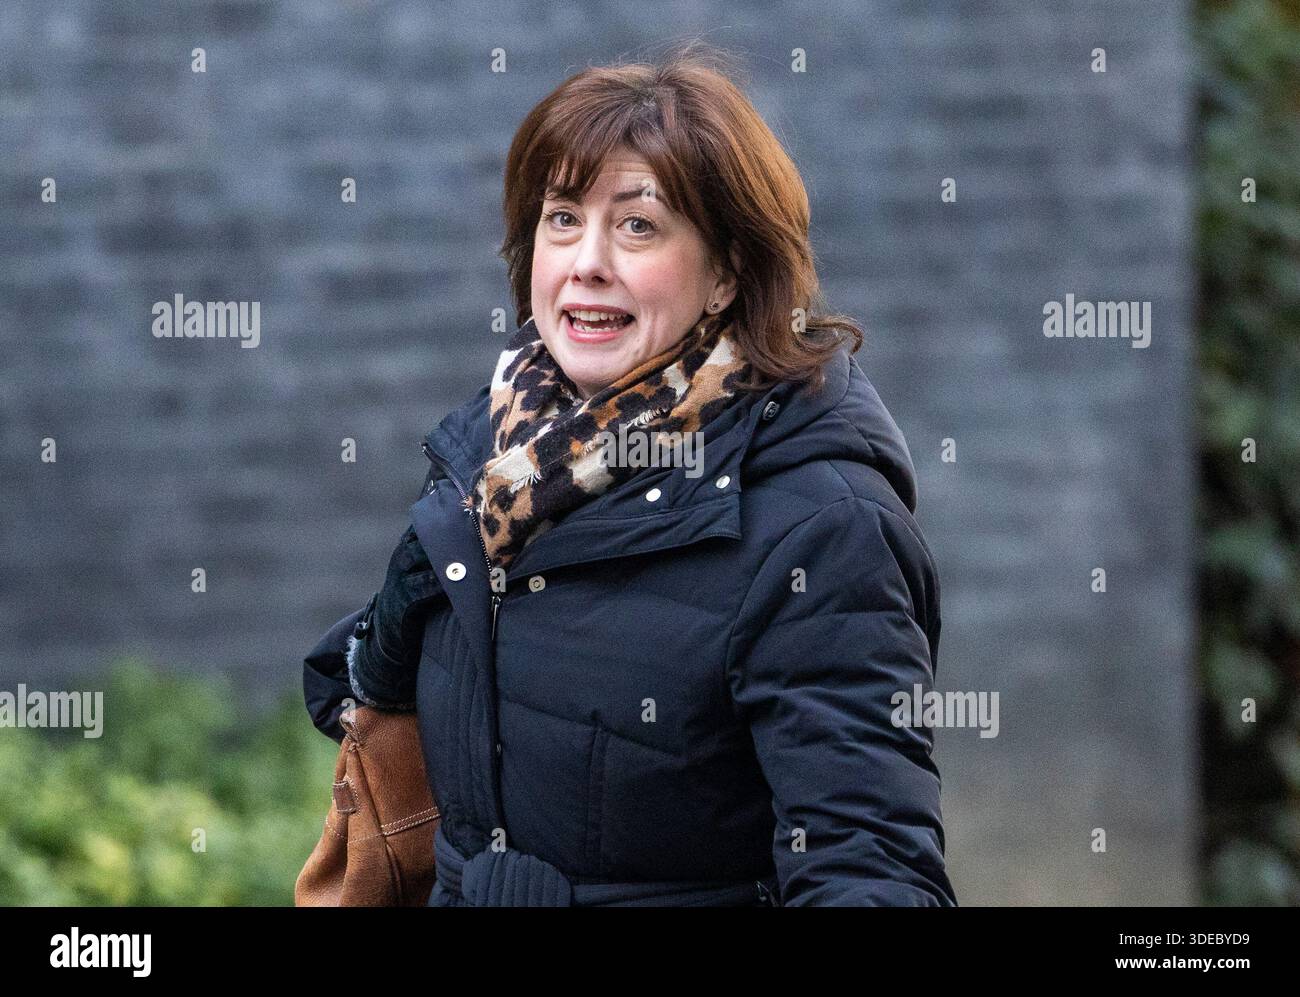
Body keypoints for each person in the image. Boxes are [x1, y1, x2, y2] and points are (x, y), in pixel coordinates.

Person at [303, 44, 957, 907]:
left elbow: (870, 868)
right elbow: (345, 690)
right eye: (563, 217)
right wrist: (387, 635)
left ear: (726, 272)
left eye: (638, 225)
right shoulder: (503, 463)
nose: (587, 262)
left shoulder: (822, 527)